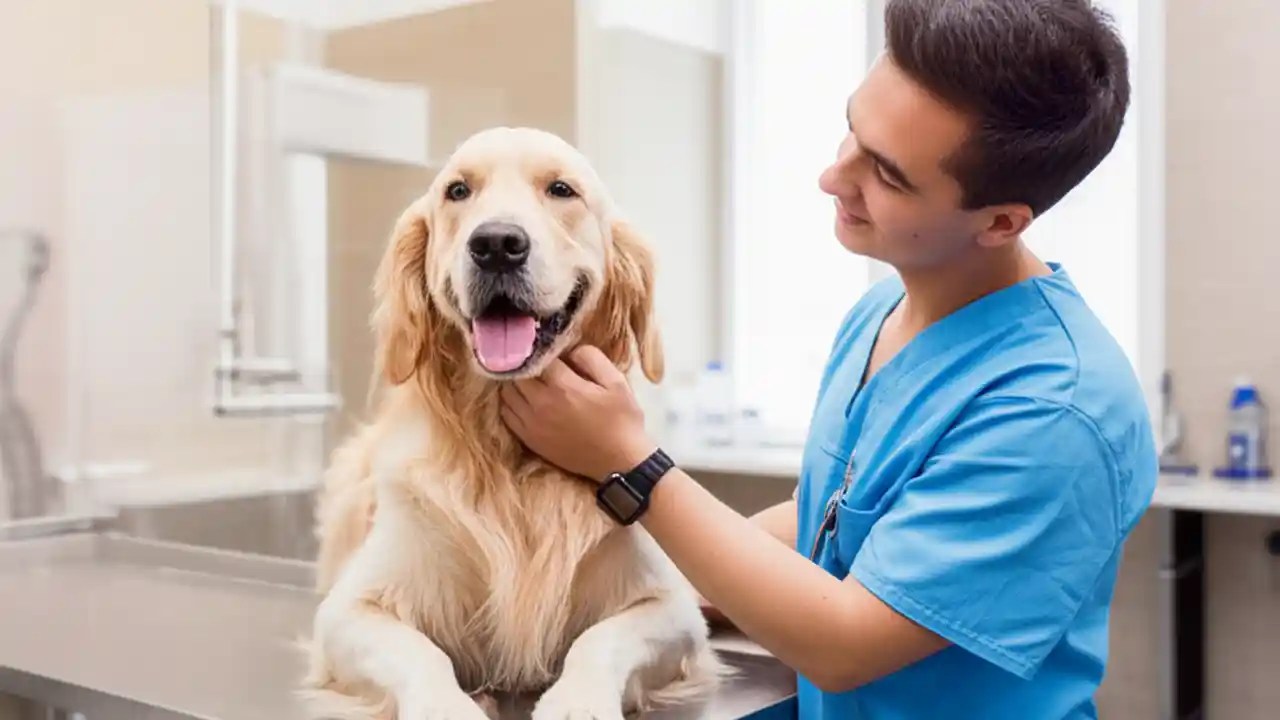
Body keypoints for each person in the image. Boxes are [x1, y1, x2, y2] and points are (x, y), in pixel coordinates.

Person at [499, 0, 1157, 717]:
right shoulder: (880, 314)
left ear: (1000, 221)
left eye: (887, 175)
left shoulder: (1054, 412)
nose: (834, 178)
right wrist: (655, 590)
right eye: (852, 129)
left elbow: (846, 645)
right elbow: (834, 515)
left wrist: (628, 461)